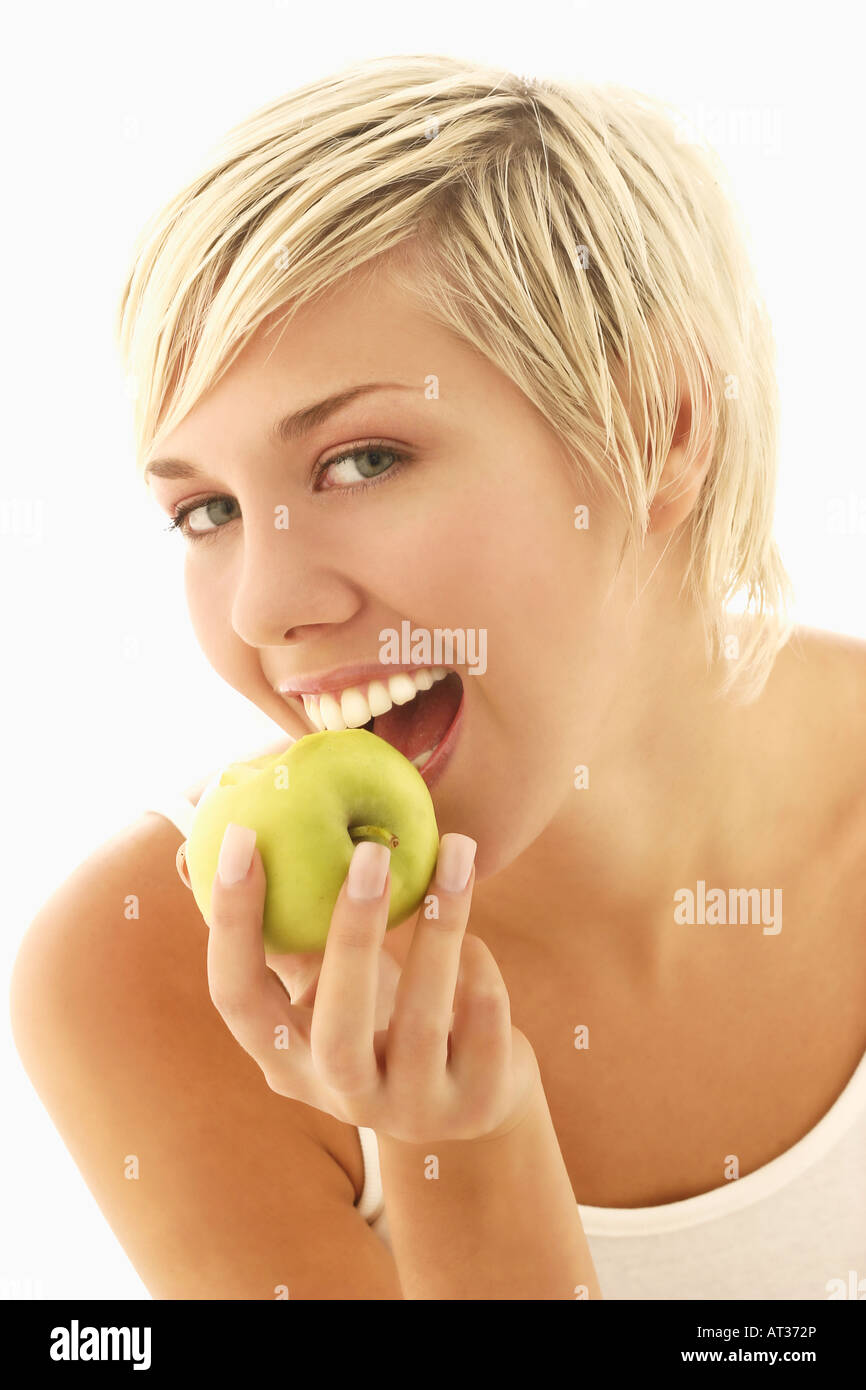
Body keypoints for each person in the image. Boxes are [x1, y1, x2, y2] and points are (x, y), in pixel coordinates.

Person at [11, 53, 865, 1301]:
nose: (265, 606)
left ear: (659, 429)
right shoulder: (144, 970)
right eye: (205, 511)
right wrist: (457, 1146)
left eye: (361, 459)